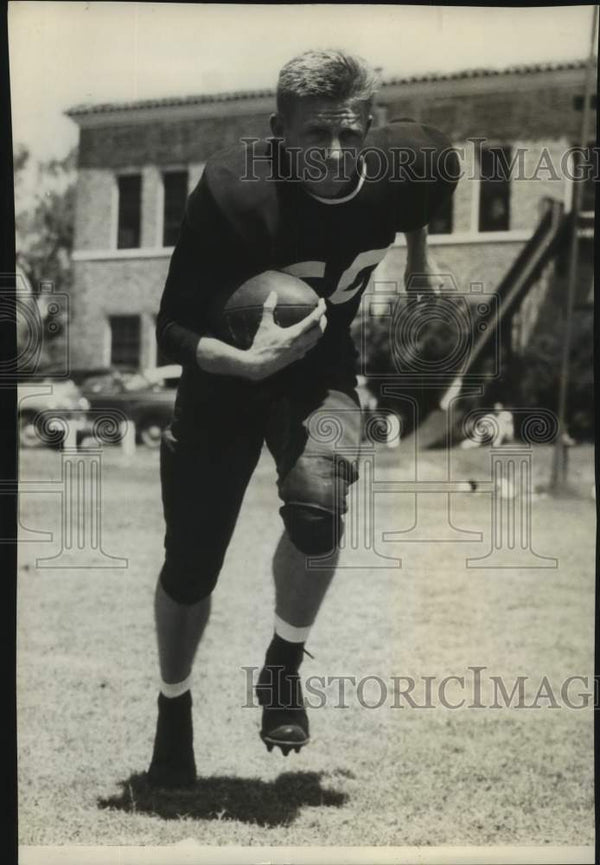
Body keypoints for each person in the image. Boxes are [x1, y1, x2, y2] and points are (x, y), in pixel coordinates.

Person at [148, 48, 459, 786]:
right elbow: (172, 328)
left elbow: (424, 190)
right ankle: (172, 711)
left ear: (372, 127)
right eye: (315, 134)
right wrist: (249, 363)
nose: (334, 152)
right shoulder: (232, 188)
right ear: (276, 130)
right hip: (225, 378)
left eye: (351, 133)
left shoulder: (411, 160)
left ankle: (282, 667)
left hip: (320, 369)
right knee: (192, 567)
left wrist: (418, 257)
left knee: (321, 508)